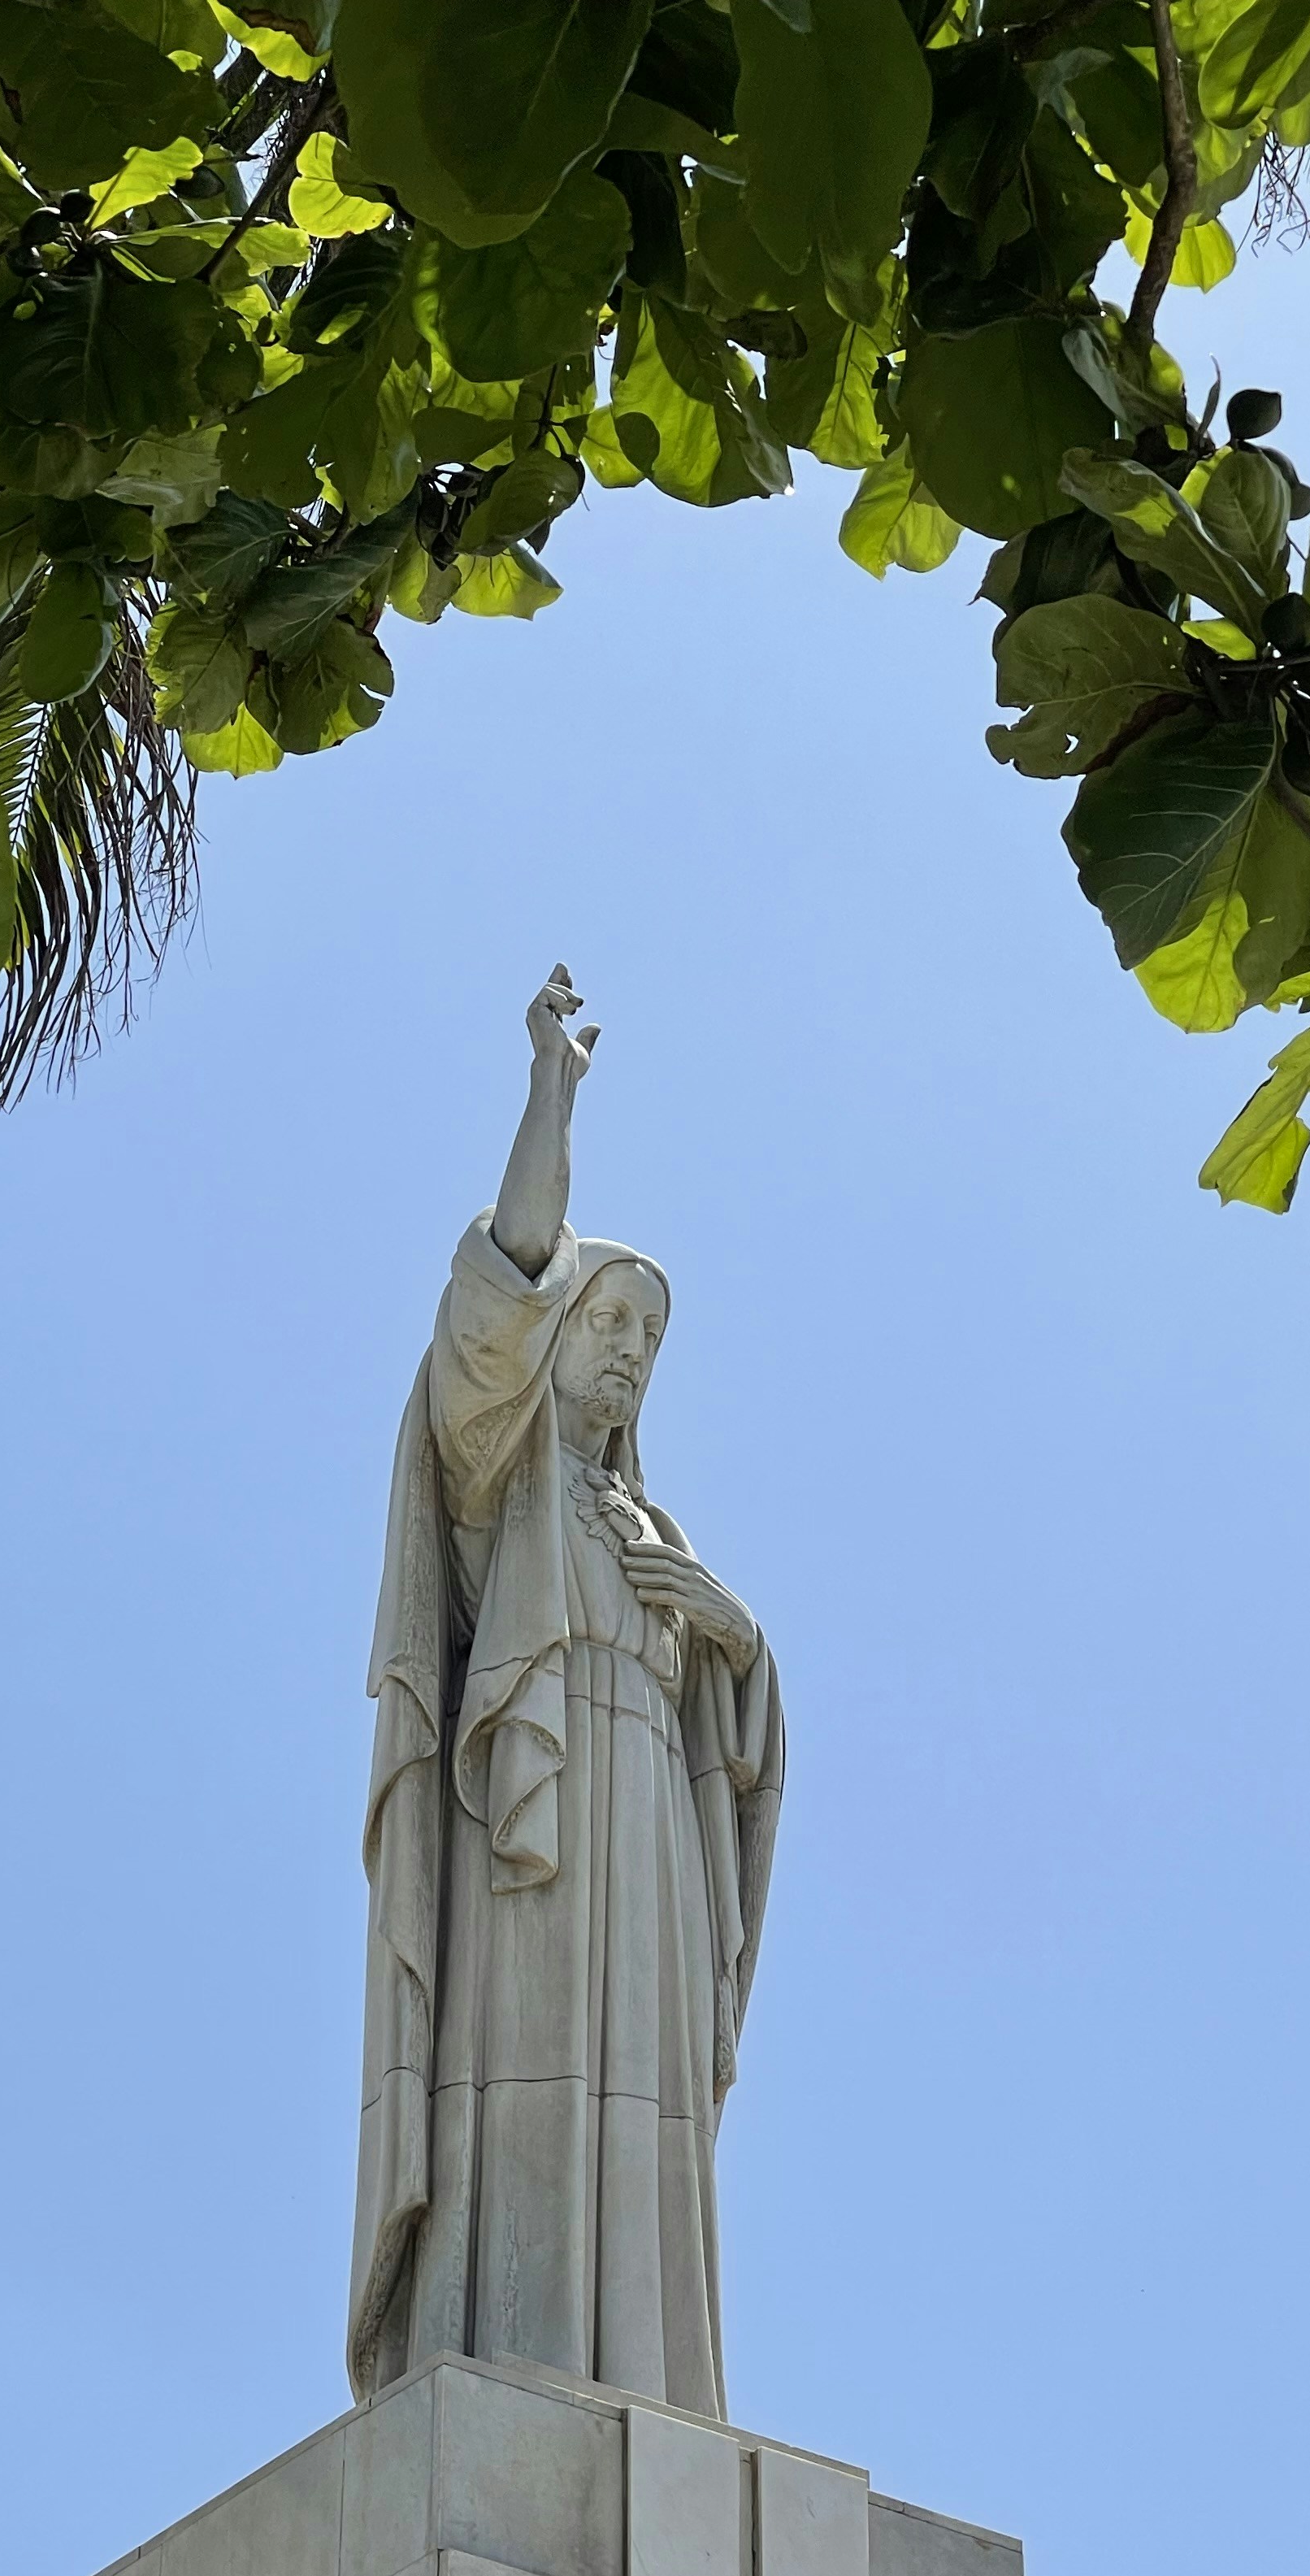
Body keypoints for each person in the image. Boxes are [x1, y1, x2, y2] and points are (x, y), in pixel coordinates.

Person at [349, 968, 783, 2417]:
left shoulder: (651, 1531)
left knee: (648, 2117)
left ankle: (658, 2402)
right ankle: (508, 2357)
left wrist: (733, 1636)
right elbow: (503, 1282)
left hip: (650, 1829)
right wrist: (553, 1093)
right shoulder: (501, 1476)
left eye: (649, 1345)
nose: (631, 1357)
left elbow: (741, 1745)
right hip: (533, 1812)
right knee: (526, 2089)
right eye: (611, 1327)